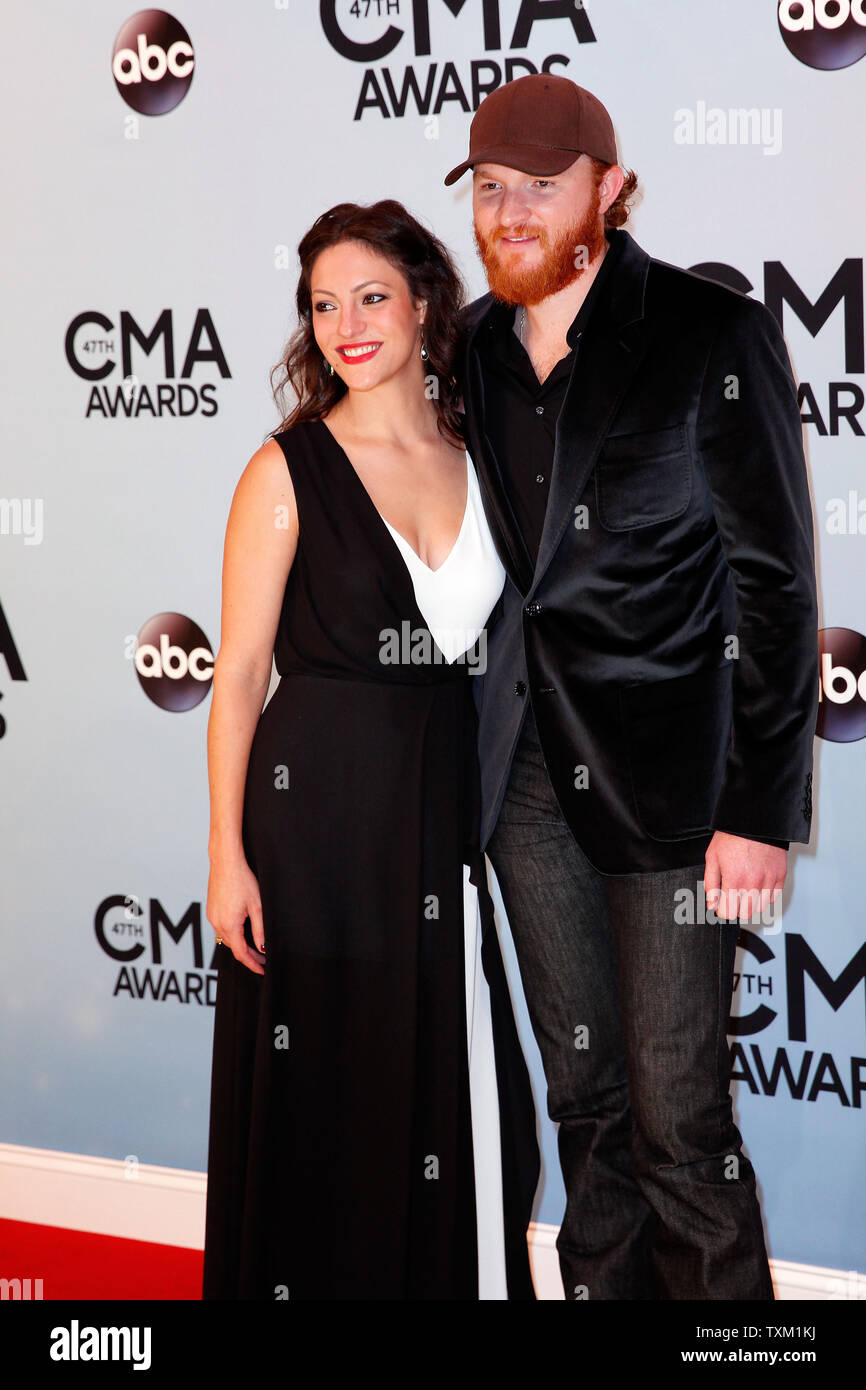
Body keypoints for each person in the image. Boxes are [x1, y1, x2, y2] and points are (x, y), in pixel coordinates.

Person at [445, 74, 818, 1300]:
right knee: (587, 1110)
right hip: (529, 792)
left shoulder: (707, 334)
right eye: (490, 189)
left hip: (676, 799)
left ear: (608, 188)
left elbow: (771, 585)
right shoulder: (477, 352)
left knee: (678, 1126)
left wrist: (759, 808)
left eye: (538, 188)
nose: (508, 214)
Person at [201, 199, 539, 1301]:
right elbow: (240, 676)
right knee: (323, 1102)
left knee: (449, 1087)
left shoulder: (476, 449)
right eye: (323, 305)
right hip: (312, 827)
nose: (347, 323)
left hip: (439, 818)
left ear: (423, 300)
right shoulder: (286, 468)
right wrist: (225, 856)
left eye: (370, 296)